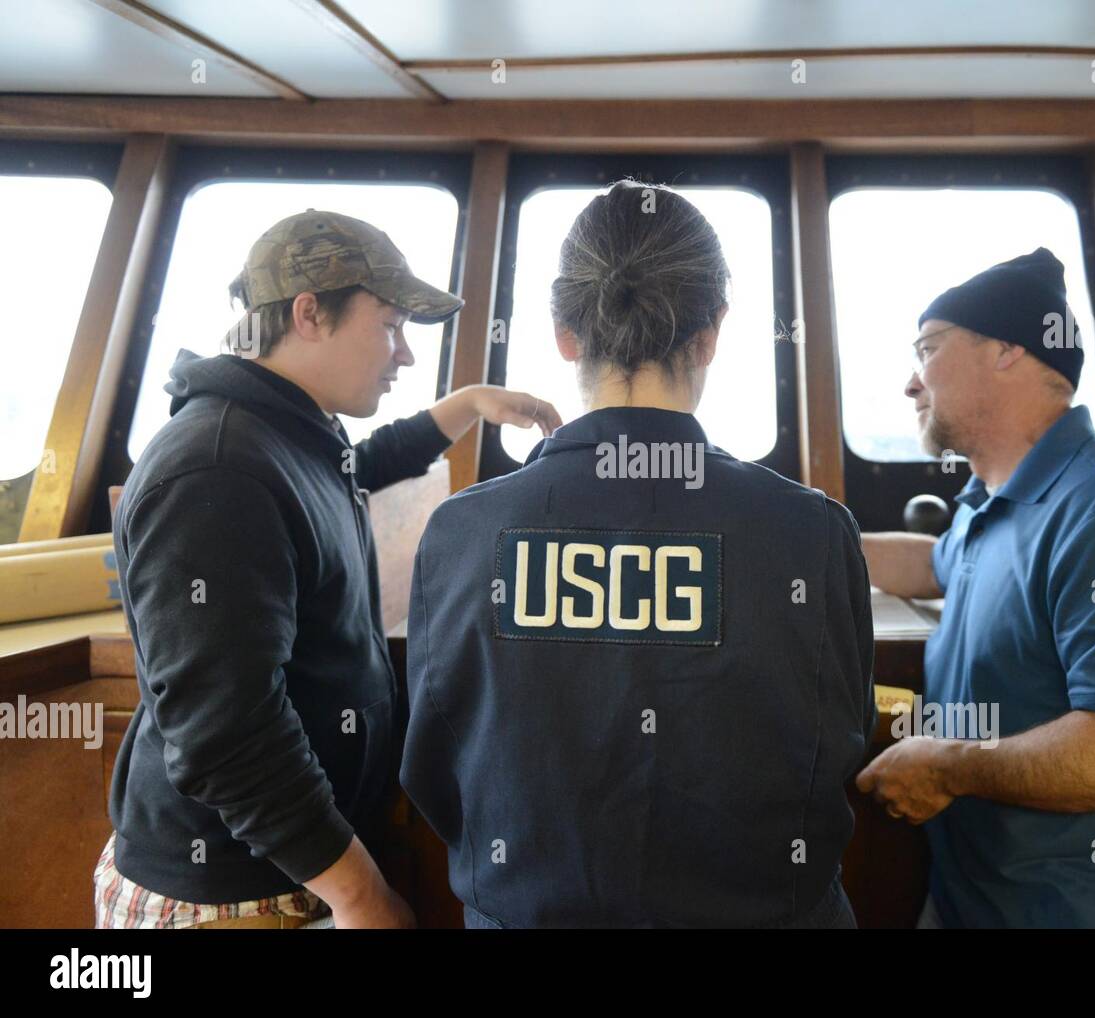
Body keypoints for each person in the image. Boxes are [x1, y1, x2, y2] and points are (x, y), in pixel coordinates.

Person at [400, 181, 874, 928]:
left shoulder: (462, 533)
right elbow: (841, 742)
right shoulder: (812, 531)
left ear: (564, 332)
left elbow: (431, 766)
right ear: (711, 332)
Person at [96, 210, 560, 929]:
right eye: (391, 325)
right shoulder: (216, 470)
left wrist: (467, 406)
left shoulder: (286, 431)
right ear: (310, 313)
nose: (404, 354)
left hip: (288, 863)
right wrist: (361, 894)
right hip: (231, 892)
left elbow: (357, 469)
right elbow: (225, 734)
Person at [857, 248, 1095, 928]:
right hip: (973, 896)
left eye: (927, 349)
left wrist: (948, 767)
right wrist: (805, 542)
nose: (910, 382)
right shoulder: (997, 502)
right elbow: (941, 565)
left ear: (1007, 352)